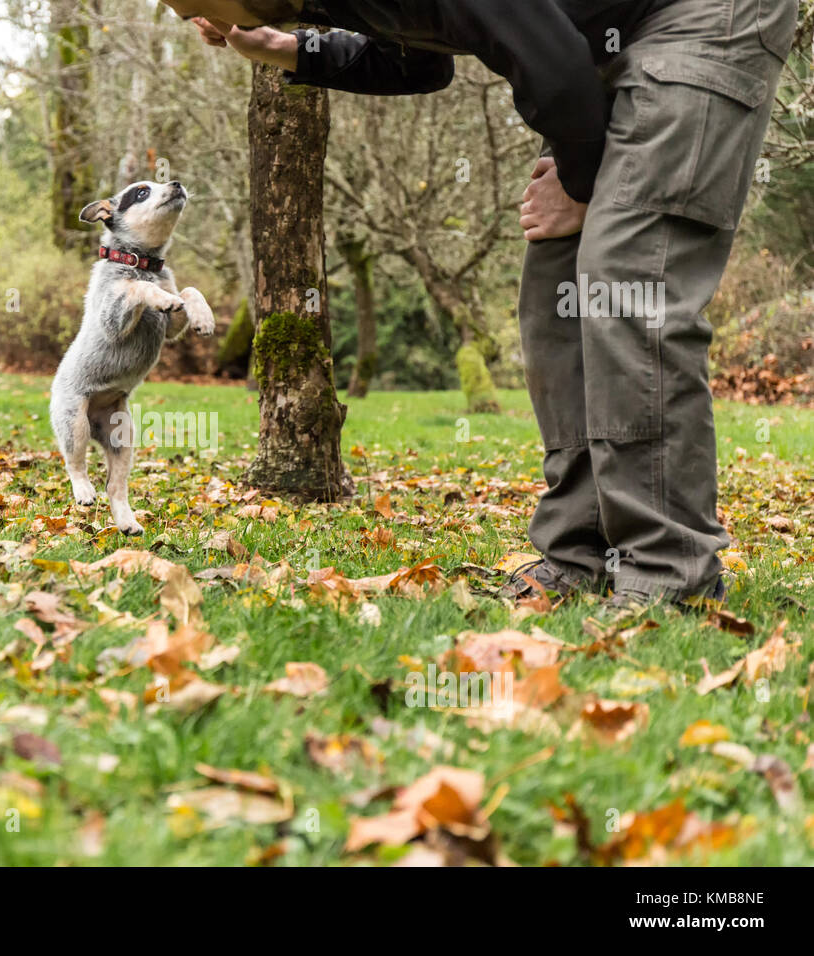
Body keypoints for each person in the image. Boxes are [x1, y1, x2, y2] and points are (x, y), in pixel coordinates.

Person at [161, 0, 798, 613]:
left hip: (702, 17)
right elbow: (423, 59)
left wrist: (582, 184)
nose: (196, 19)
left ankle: (669, 572)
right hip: (611, 31)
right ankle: (582, 555)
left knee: (627, 274)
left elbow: (547, 62)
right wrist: (291, 48)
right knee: (559, 289)